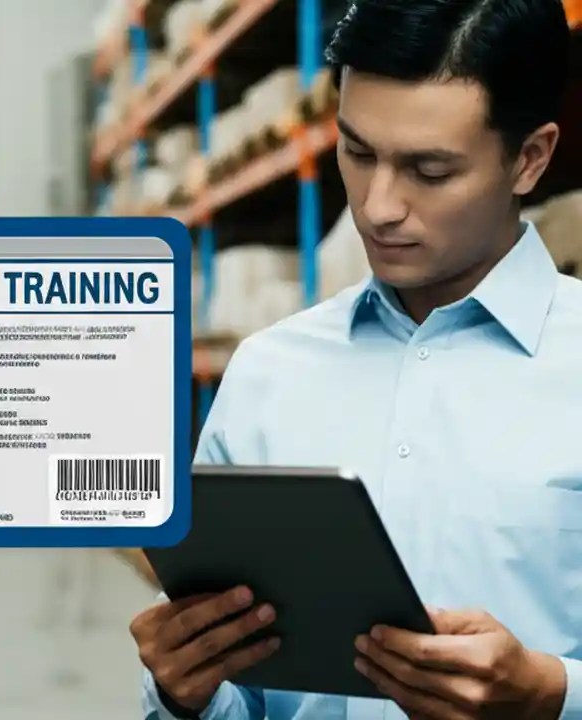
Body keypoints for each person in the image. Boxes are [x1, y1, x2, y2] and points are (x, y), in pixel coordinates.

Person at [131, 0, 582, 718]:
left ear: (530, 158)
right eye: (357, 152)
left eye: (429, 170)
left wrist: (554, 693)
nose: (376, 207)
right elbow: (233, 694)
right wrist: (183, 693)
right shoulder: (267, 374)